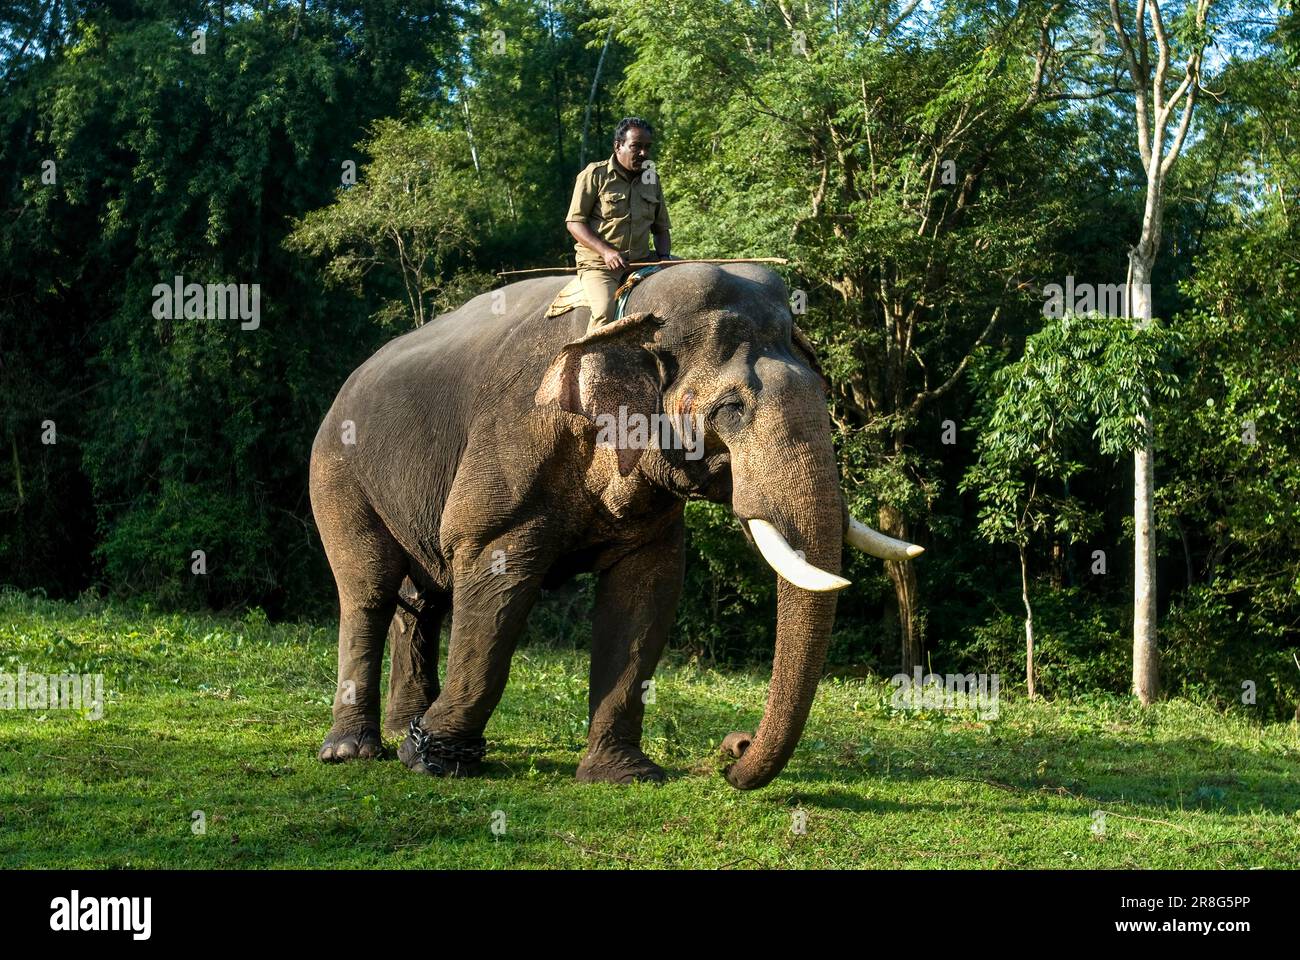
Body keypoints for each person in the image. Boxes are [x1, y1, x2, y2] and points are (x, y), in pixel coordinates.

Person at [565, 117, 671, 328]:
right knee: (604, 312)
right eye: (636, 147)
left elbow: (661, 229)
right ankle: (588, 359)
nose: (644, 153)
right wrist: (605, 252)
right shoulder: (595, 175)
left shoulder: (651, 179)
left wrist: (665, 257)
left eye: (647, 147)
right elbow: (574, 223)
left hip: (642, 261)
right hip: (600, 265)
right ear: (618, 146)